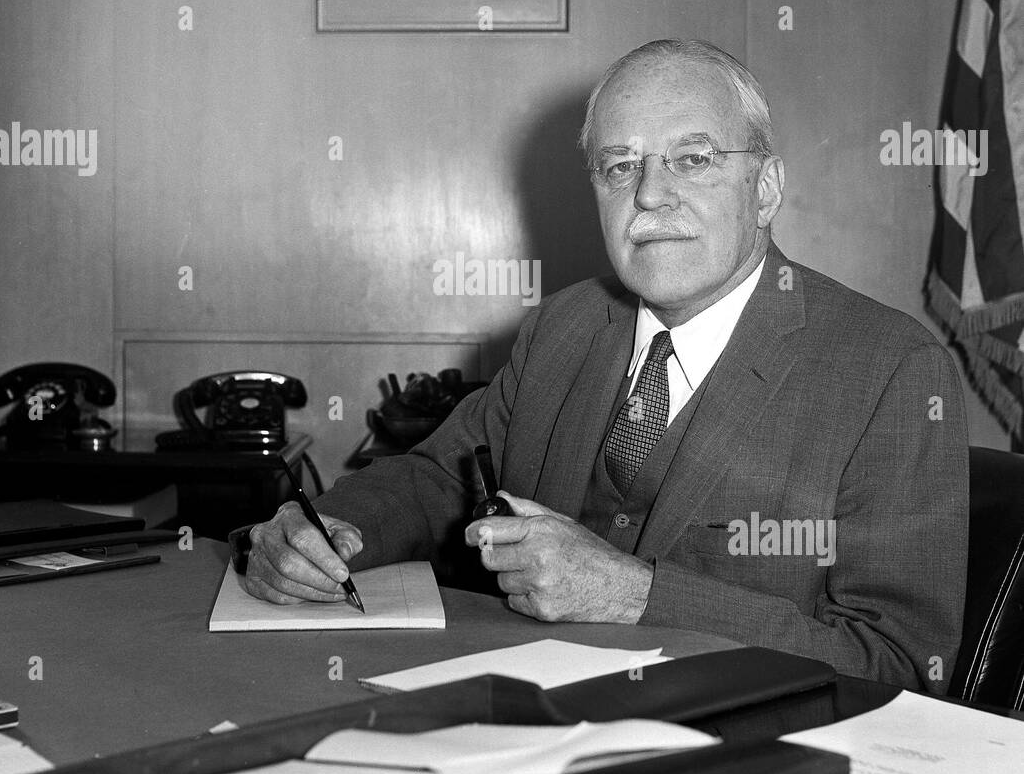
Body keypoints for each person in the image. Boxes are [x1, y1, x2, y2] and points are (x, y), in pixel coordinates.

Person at [245, 39, 968, 691]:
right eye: (619, 166)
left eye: (692, 159)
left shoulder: (889, 370)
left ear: (766, 189)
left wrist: (637, 595)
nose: (649, 194)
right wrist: (324, 527)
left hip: (743, 772)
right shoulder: (564, 327)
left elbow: (900, 664)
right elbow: (439, 478)